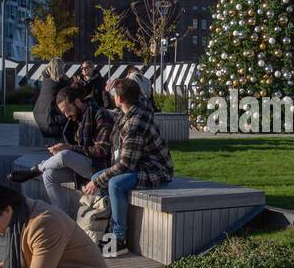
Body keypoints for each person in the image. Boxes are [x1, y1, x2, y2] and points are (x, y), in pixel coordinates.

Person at [84, 77, 174, 257]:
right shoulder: (135, 107)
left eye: (115, 95)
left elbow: (126, 164)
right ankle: (107, 221)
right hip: (139, 163)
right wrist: (121, 83)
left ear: (120, 99)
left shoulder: (134, 123)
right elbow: (138, 95)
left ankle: (119, 238)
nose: (112, 97)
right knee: (96, 178)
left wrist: (99, 182)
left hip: (154, 169)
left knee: (114, 184)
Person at [9, 85, 115, 215]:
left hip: (99, 167)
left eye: (68, 110)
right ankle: (61, 216)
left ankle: (35, 170)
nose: (66, 115)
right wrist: (65, 149)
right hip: (82, 166)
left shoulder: (100, 115)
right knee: (48, 175)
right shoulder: (75, 120)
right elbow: (74, 148)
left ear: (77, 102)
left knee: (64, 155)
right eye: (64, 112)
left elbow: (101, 151)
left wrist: (69, 148)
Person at [31, 57, 72, 143]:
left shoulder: (45, 80)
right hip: (51, 122)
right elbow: (71, 92)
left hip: (40, 118)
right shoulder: (62, 82)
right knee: (75, 116)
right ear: (61, 68)